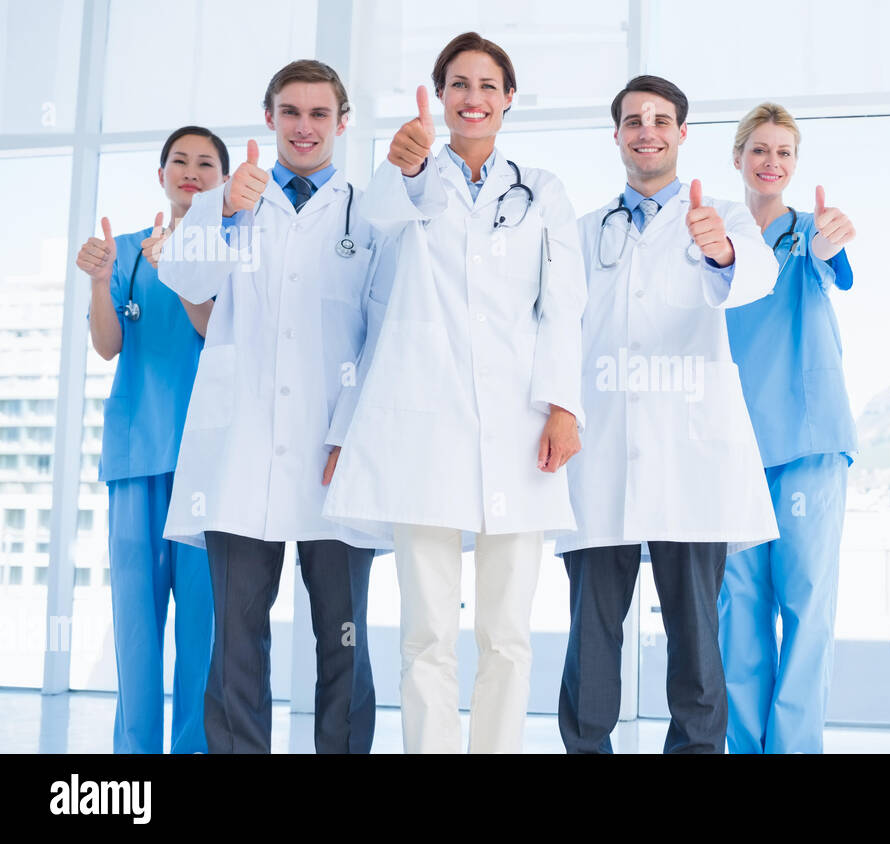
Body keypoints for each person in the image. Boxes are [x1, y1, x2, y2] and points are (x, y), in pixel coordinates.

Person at [323, 32, 586, 754]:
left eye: (487, 85)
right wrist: (403, 168)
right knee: (427, 631)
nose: (473, 98)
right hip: (424, 429)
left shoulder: (544, 191)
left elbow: (564, 307)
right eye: (459, 85)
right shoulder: (409, 179)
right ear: (441, 97)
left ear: (508, 99)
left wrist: (564, 405)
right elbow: (379, 221)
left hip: (519, 428)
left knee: (506, 633)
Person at [151, 60, 389, 754]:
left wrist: (354, 434)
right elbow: (187, 278)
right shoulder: (228, 202)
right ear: (270, 119)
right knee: (238, 642)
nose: (305, 127)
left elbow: (381, 333)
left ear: (342, 123)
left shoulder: (368, 215)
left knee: (344, 640)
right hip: (243, 454)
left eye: (319, 114)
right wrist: (219, 209)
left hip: (333, 457)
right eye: (291, 112)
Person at [554, 75, 779, 754]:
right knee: (592, 631)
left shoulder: (722, 219)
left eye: (659, 119)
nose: (646, 130)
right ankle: (587, 746)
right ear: (618, 135)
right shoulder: (583, 231)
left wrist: (723, 249)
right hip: (601, 452)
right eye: (632, 120)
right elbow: (557, 328)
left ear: (682, 135)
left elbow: (758, 276)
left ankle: (698, 749)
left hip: (692, 457)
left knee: (696, 633)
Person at [76, 126, 229, 754]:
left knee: (203, 632)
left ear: (222, 178)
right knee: (137, 630)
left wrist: (182, 269)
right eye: (179, 161)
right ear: (161, 173)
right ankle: (133, 762)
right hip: (137, 454)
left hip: (208, 462)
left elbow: (216, 328)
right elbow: (109, 344)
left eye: (205, 163)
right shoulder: (129, 251)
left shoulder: (232, 250)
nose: (190, 171)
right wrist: (99, 280)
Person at [719, 103, 858, 754]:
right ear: (739, 156)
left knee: (805, 606)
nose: (772, 162)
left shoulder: (811, 233)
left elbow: (835, 266)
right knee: (738, 613)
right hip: (731, 445)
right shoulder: (717, 235)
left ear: (796, 165)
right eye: (761, 149)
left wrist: (829, 245)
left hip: (808, 442)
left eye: (785, 152)